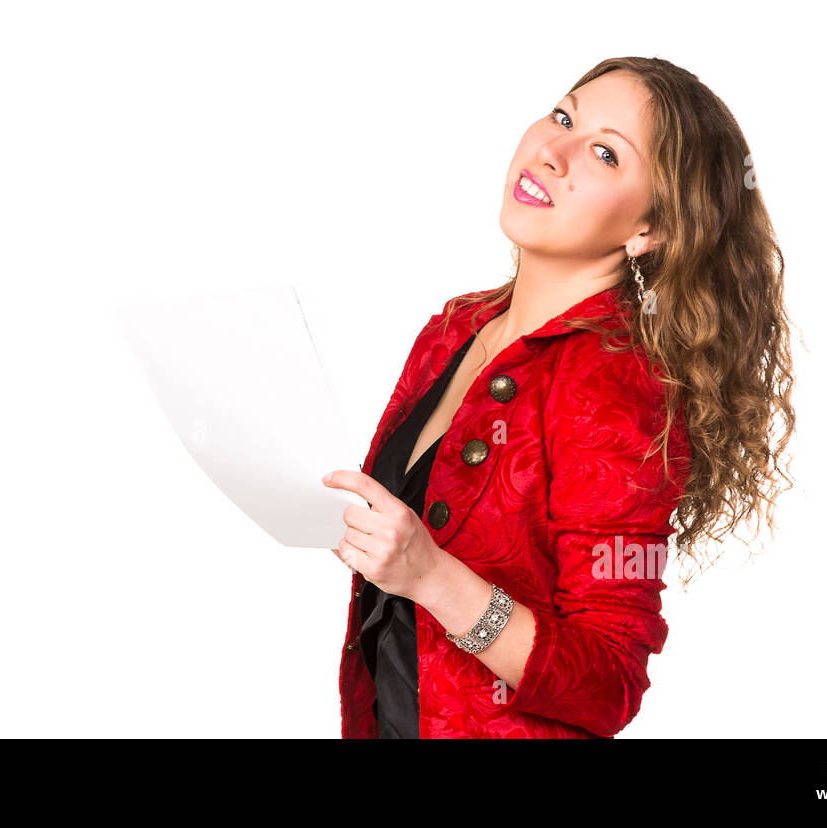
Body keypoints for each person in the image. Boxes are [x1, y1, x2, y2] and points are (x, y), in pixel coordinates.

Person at [324, 56, 796, 738]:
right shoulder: (456, 326)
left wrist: (432, 578)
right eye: (563, 117)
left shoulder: (620, 388)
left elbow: (608, 683)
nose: (553, 151)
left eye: (605, 153)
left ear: (648, 230)